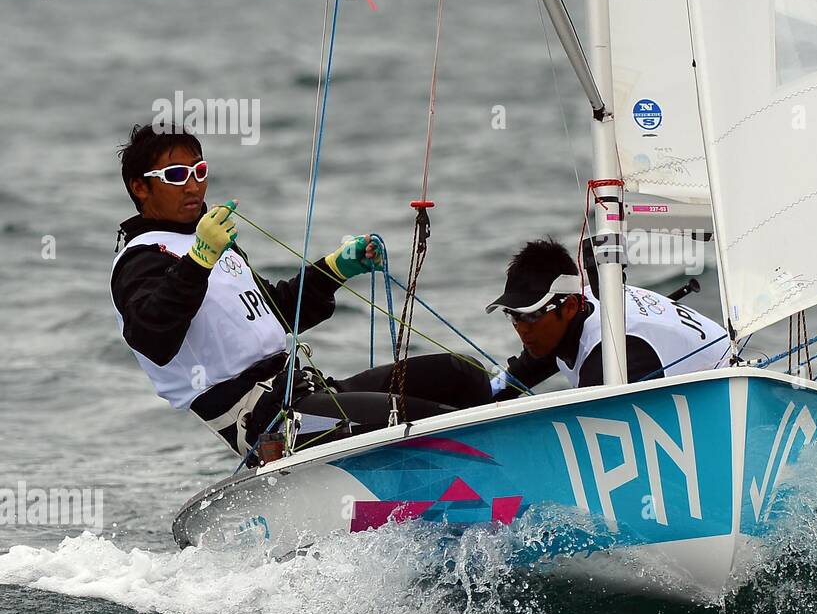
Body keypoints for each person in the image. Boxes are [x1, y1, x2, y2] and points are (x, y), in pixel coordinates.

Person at [111, 123, 490, 458]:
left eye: (199, 170)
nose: (194, 185)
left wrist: (336, 268)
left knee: (462, 376)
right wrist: (201, 259)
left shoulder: (208, 239)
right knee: (425, 419)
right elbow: (152, 337)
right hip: (266, 422)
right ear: (140, 187)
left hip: (305, 390)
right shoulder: (140, 260)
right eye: (177, 175)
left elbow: (277, 311)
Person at [485, 237, 729, 399]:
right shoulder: (572, 314)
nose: (522, 329)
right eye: (513, 316)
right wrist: (479, 396)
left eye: (532, 315)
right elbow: (515, 378)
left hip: (731, 397)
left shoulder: (611, 356)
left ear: (569, 306)